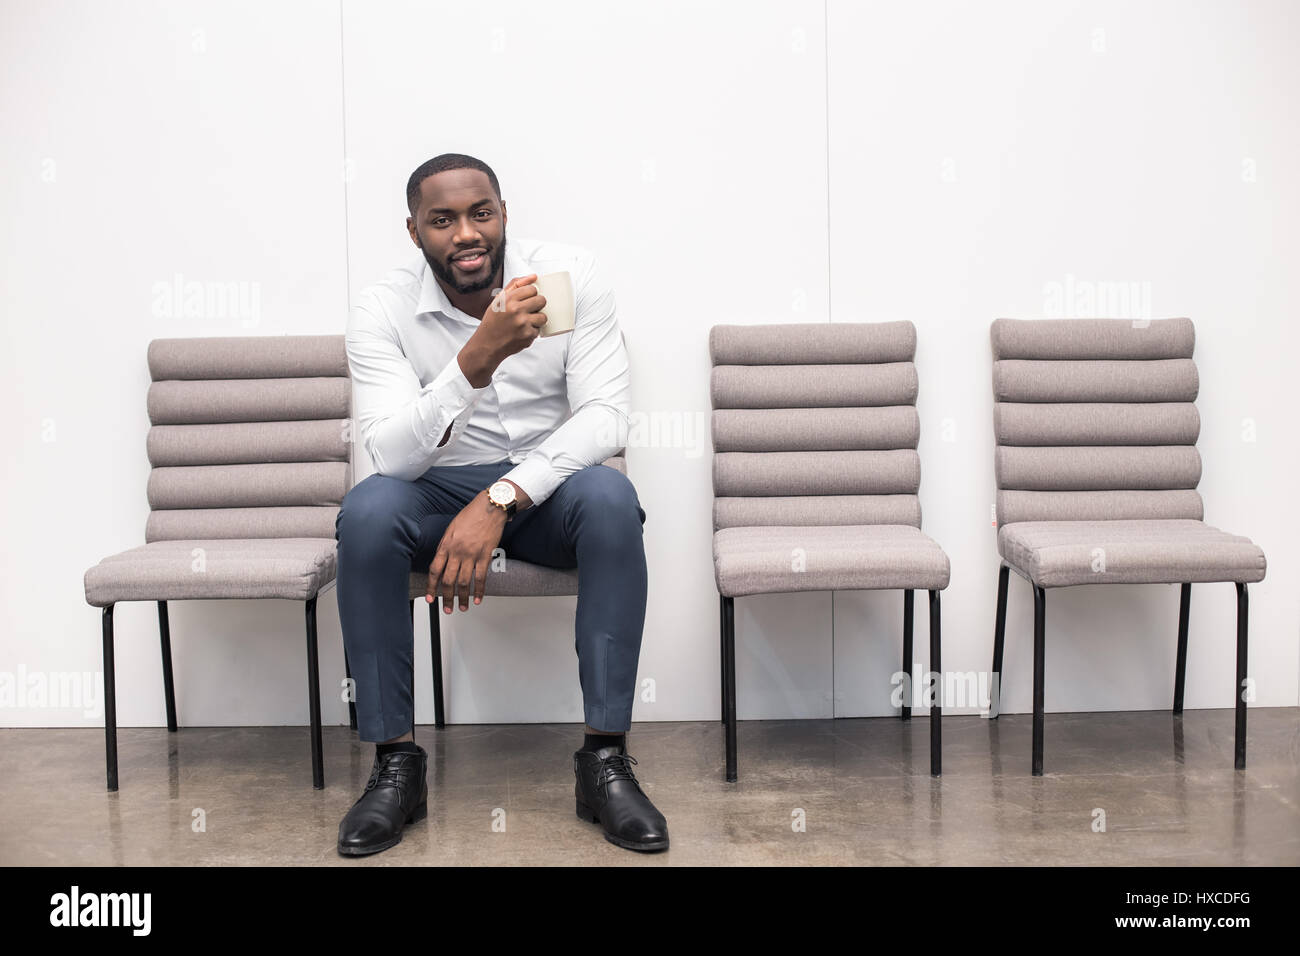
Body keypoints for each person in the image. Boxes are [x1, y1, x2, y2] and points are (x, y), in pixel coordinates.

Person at [333, 153, 668, 855]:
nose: (465, 233)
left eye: (479, 213)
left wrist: (503, 497)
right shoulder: (382, 308)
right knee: (366, 513)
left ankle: (604, 761)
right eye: (442, 219)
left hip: (545, 491)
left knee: (611, 496)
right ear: (413, 230)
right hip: (435, 488)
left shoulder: (569, 279)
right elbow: (390, 457)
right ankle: (396, 765)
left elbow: (605, 417)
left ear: (504, 214)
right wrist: (472, 363)